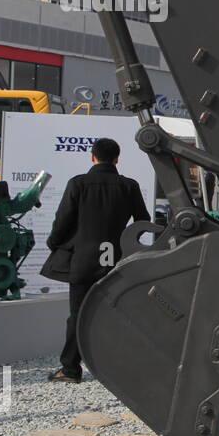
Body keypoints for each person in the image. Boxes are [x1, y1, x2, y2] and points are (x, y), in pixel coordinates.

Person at [45, 137, 151, 383]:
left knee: (79, 315)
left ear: (92, 157)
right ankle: (116, 366)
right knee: (116, 312)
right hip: (116, 261)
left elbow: (63, 221)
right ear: (117, 159)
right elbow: (143, 221)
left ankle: (70, 369)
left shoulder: (78, 184)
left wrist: (54, 243)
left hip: (82, 261)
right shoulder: (129, 186)